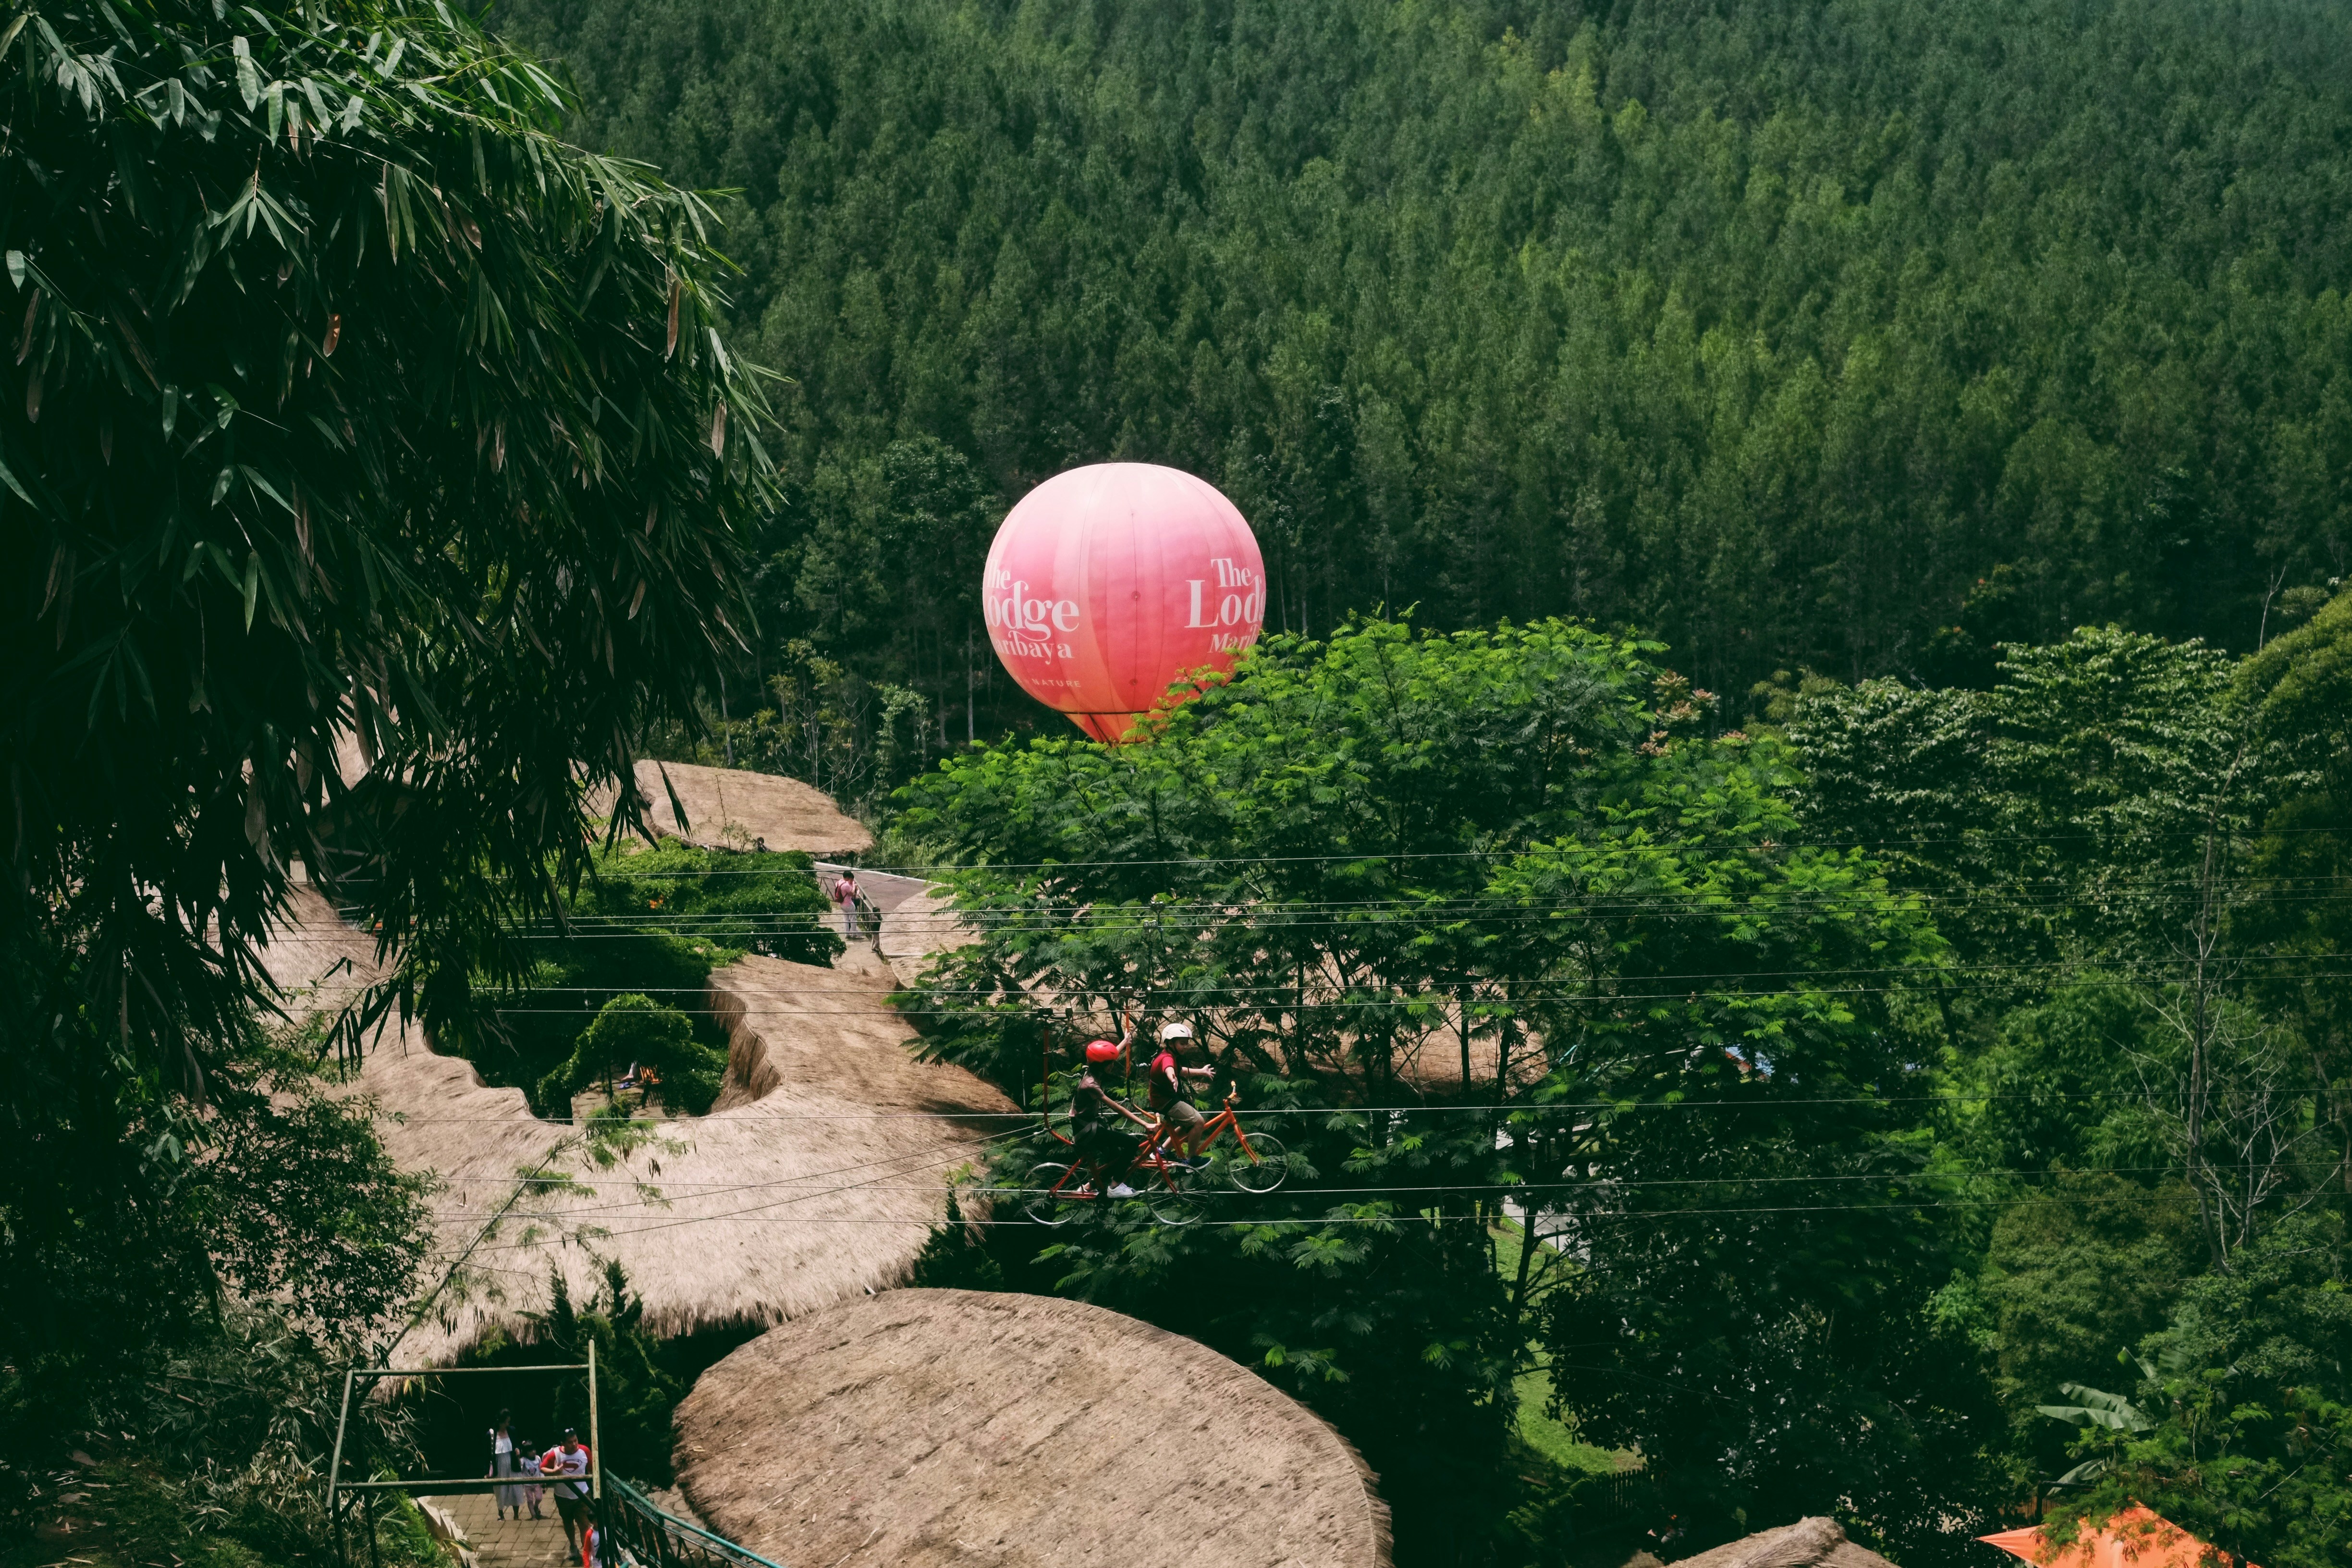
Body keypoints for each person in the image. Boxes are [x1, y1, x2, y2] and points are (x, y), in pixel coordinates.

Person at [1068, 1027, 1153, 1197]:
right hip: (1087, 1131)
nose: (1114, 1066)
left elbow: (1105, 1056)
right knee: (1131, 1143)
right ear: (1102, 1066)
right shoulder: (1090, 1085)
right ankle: (1115, 1187)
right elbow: (1117, 1108)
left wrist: (1124, 1042)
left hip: (1089, 1125)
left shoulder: (1092, 1069)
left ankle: (1089, 1186)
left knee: (1117, 1158)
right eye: (1111, 1064)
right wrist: (1145, 1123)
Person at [1147, 1021, 1217, 1164]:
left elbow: (1180, 1071)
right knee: (1198, 1122)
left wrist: (1202, 1072)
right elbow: (1169, 1070)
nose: (1186, 1047)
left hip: (1164, 1099)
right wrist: (1173, 1079)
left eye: (1187, 1043)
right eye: (1182, 1043)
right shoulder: (1167, 1058)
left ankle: (1162, 1151)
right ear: (1171, 1043)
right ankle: (1191, 1159)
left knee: (1189, 1125)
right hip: (1165, 1101)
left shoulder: (1169, 1055)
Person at [541, 1429, 593, 1558]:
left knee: (584, 1525)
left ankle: (587, 1553)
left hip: (582, 1495)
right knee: (568, 1522)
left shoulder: (585, 1451)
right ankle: (573, 1546)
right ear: (563, 1443)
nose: (574, 1444)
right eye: (570, 1442)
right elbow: (542, 1467)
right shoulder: (556, 1454)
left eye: (576, 1441)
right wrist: (554, 1472)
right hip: (563, 1497)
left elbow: (593, 1469)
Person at [488, 1410, 521, 1520]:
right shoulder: (491, 1435)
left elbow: (516, 1444)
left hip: (512, 1463)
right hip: (499, 1465)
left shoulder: (512, 1431)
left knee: (515, 1488)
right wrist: (487, 1471)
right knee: (500, 1489)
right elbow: (486, 1453)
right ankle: (501, 1513)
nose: (508, 1424)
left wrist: (517, 1450)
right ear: (501, 1422)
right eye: (506, 1422)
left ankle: (516, 1514)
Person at [515, 1439, 547, 1520]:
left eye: (534, 1450)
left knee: (539, 1498)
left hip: (537, 1483)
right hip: (528, 1484)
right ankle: (533, 1515)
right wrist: (518, 1457)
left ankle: (536, 1507)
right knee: (530, 1500)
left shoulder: (538, 1458)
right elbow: (520, 1465)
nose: (533, 1452)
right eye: (530, 1451)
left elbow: (541, 1469)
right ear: (526, 1452)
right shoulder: (524, 1460)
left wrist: (543, 1480)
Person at [829, 868, 862, 941]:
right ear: (848, 877)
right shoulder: (846, 886)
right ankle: (854, 934)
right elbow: (852, 894)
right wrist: (854, 886)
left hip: (842, 904)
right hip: (849, 904)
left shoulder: (839, 882)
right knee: (853, 919)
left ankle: (847, 934)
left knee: (846, 919)